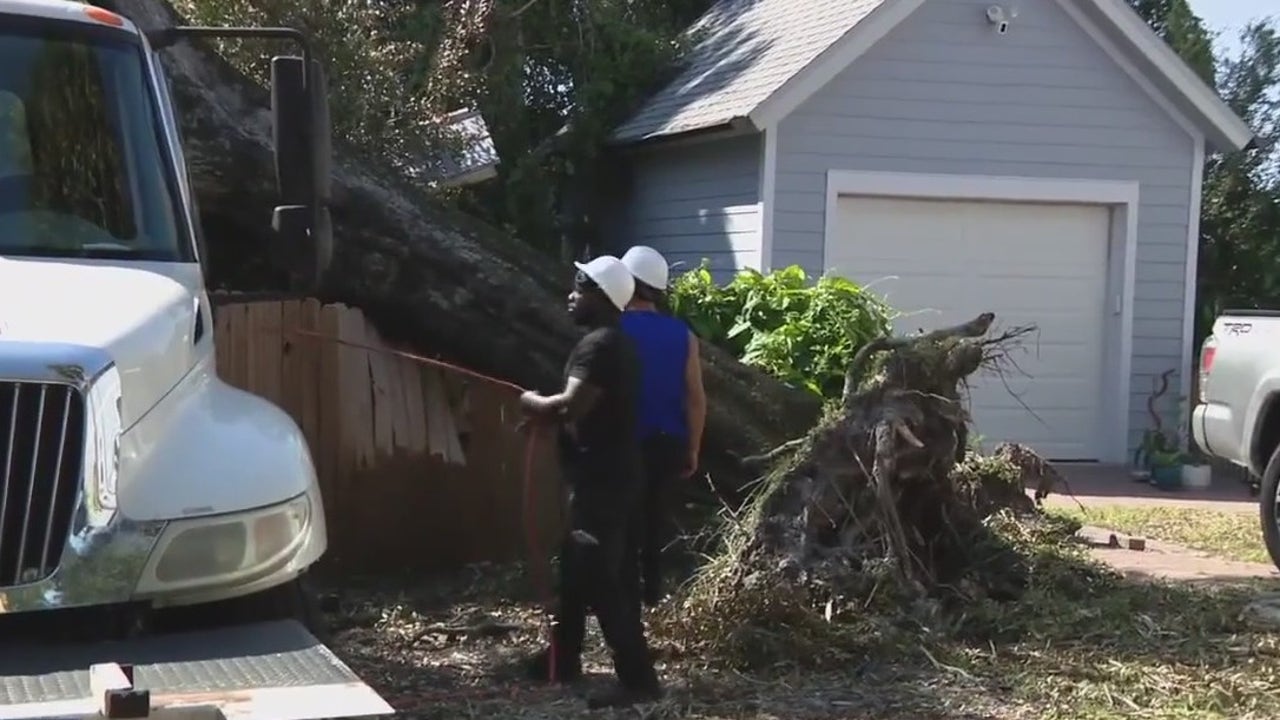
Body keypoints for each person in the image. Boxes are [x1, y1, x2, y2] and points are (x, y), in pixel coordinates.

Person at [518, 254, 662, 708]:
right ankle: (563, 661)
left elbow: (570, 406)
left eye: (579, 288)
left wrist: (533, 403)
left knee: (603, 578)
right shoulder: (614, 344)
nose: (571, 295)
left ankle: (638, 679)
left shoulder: (599, 346)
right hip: (610, 477)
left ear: (601, 297)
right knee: (576, 571)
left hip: (604, 482)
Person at [618, 245, 707, 607]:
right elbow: (696, 397)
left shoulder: (613, 329)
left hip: (623, 442)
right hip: (668, 442)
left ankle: (619, 597)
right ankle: (651, 593)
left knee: (621, 519)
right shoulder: (683, 335)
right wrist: (693, 448)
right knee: (655, 520)